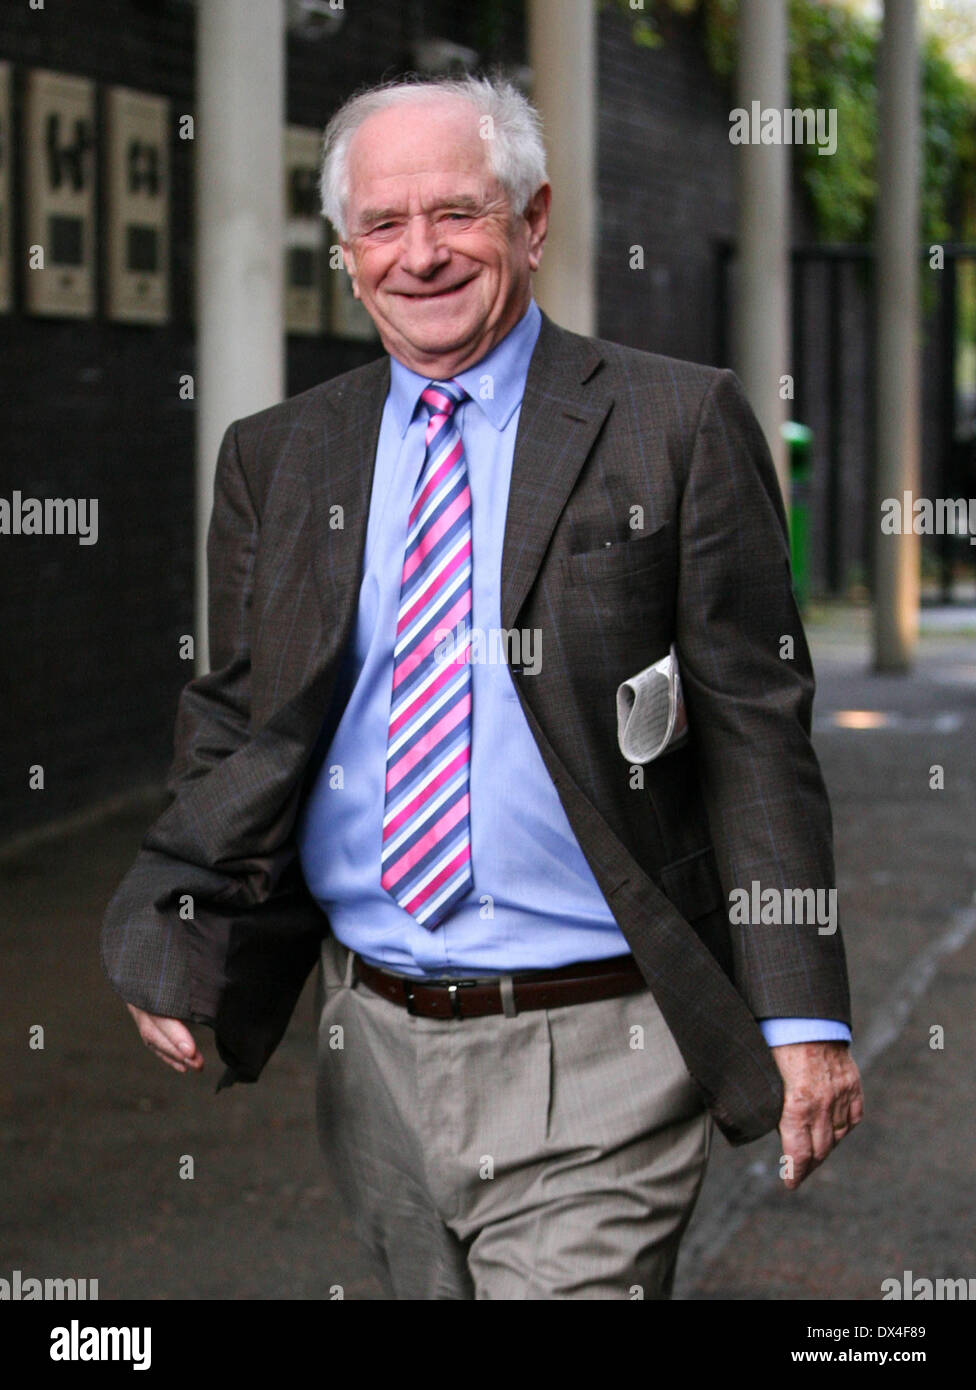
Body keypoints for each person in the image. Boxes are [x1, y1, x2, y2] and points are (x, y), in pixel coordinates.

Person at [102, 74, 863, 1300]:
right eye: (382, 226)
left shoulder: (674, 423)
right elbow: (242, 722)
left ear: (533, 219)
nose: (421, 255)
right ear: (346, 252)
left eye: (456, 213)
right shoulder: (278, 458)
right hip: (373, 1044)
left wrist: (804, 1015)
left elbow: (755, 738)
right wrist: (179, 918)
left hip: (606, 1042)